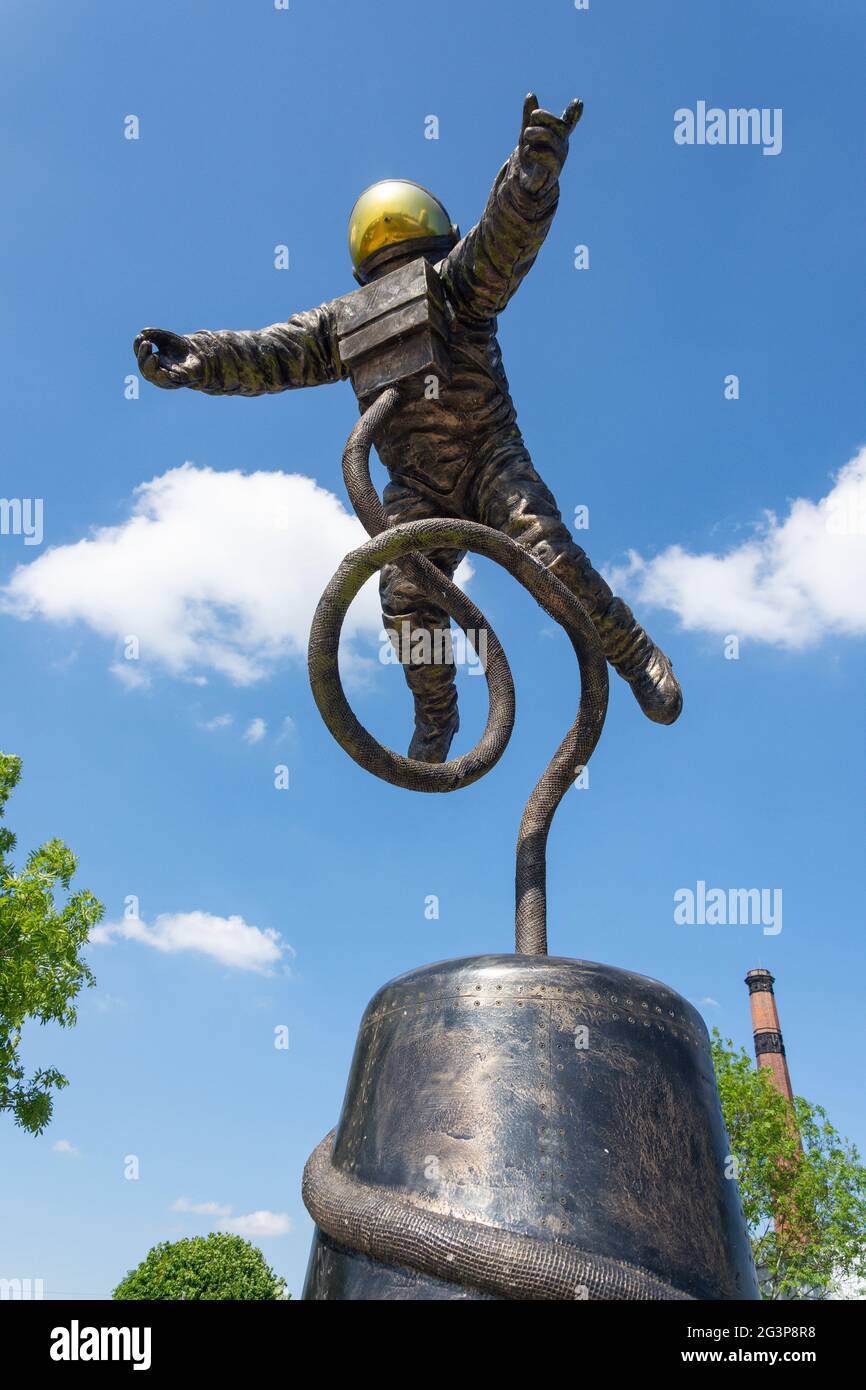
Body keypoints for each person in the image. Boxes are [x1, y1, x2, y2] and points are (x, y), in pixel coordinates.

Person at [135, 93, 682, 762]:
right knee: (403, 595)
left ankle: (632, 654)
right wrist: (200, 358)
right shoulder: (342, 321)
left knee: (552, 559)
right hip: (414, 484)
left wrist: (530, 177)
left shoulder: (457, 283)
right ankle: (437, 714)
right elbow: (270, 353)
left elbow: (503, 240)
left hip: (489, 460)